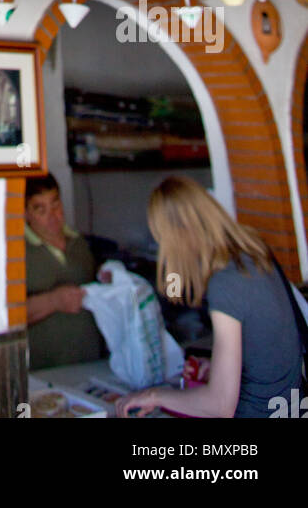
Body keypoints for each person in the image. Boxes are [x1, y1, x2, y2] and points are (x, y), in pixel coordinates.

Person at [117, 176, 304, 418]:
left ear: (179, 234)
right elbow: (266, 351)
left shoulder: (225, 283)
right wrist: (216, 368)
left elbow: (220, 405)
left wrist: (154, 395)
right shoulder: (252, 251)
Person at [25, 172, 106, 369]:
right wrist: (54, 301)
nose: (53, 216)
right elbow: (5, 319)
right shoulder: (16, 252)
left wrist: (105, 278)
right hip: (48, 372)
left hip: (92, 364)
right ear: (26, 213)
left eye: (55, 205)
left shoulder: (78, 242)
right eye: (40, 210)